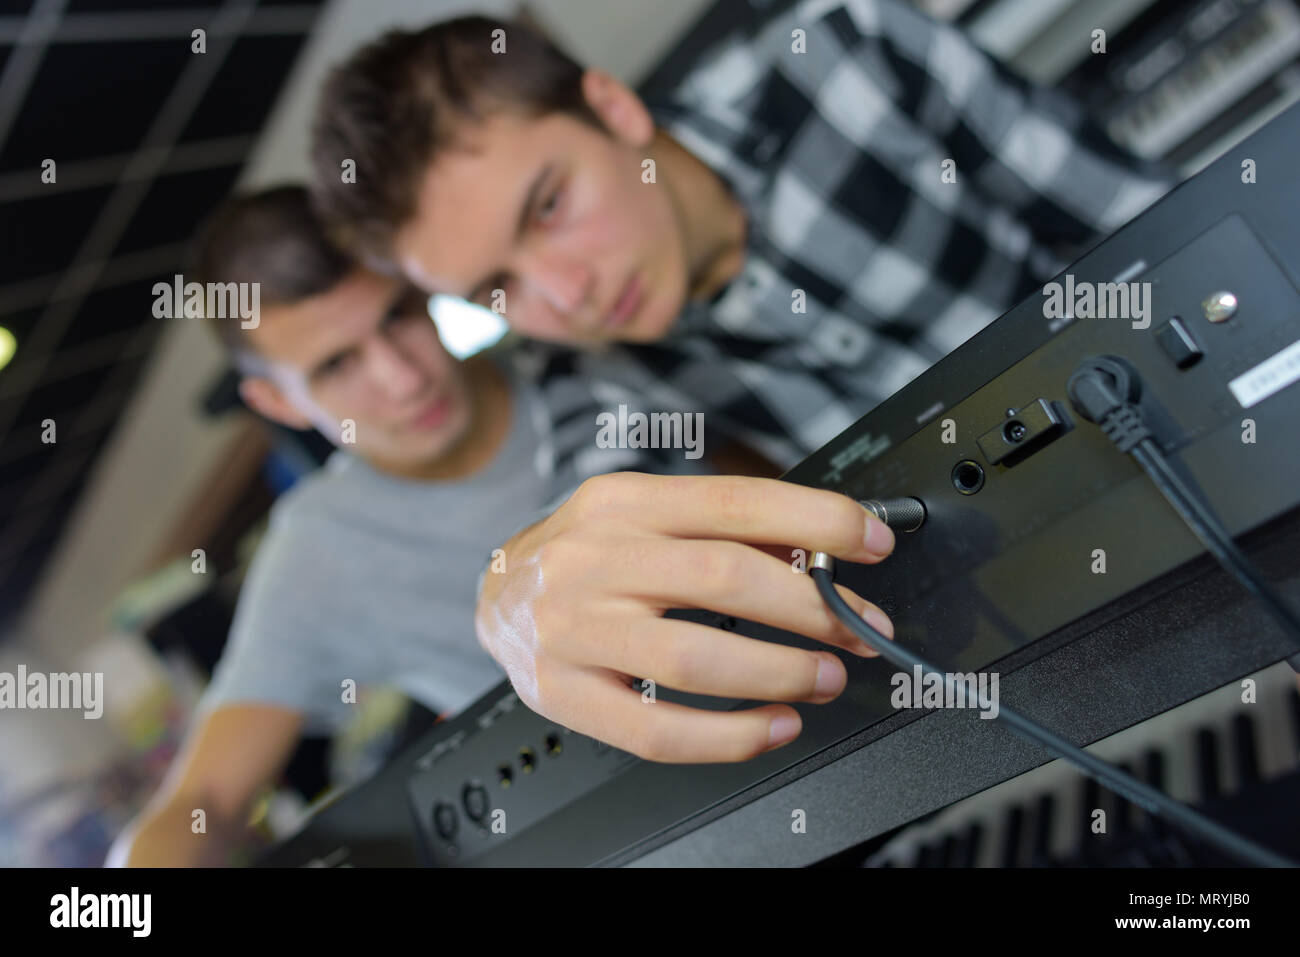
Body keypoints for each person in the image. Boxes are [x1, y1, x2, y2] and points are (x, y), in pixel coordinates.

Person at [306, 4, 1179, 763]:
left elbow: (1169, 240)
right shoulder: (583, 371)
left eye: (548, 207)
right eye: (497, 289)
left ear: (612, 107)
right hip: (1042, 629)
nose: (569, 295)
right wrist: (512, 592)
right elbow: (590, 508)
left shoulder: (849, 55)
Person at [110, 186, 864, 866]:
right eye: (339, 365)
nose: (404, 379)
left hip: (853, 698)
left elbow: (785, 476)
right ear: (278, 405)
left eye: (399, 316)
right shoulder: (316, 556)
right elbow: (200, 795)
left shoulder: (583, 345)